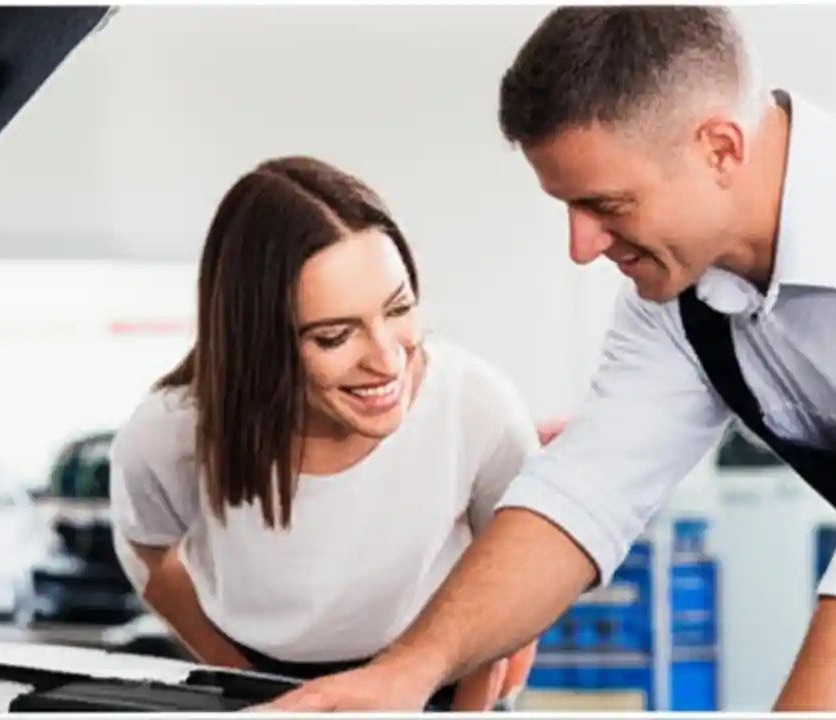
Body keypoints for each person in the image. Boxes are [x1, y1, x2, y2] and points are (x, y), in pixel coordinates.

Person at [264, 5, 836, 712]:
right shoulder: (680, 300)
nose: (581, 246)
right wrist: (410, 668)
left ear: (719, 148)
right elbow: (581, 493)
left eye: (606, 206)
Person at [107, 155, 541, 711]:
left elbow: (519, 586)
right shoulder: (169, 434)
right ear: (261, 345)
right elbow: (146, 548)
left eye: (399, 309)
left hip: (440, 675)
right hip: (259, 677)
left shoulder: (478, 409)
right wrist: (237, 675)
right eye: (336, 337)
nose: (387, 360)